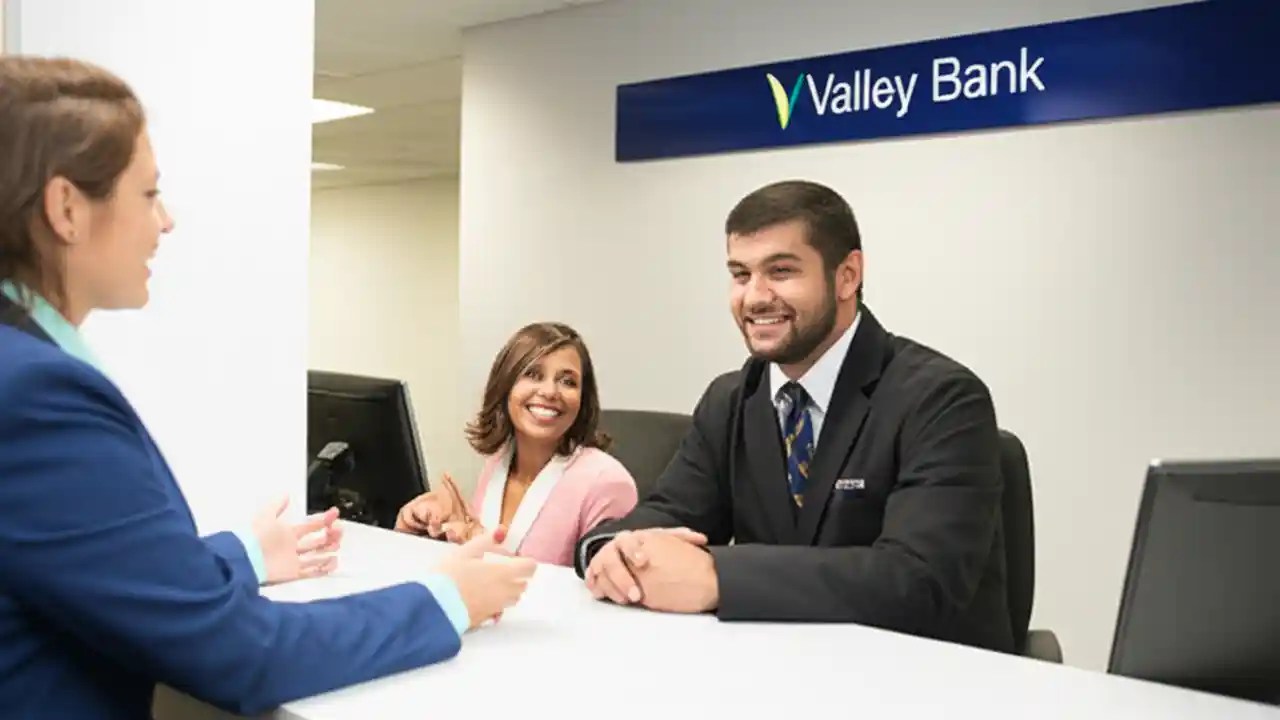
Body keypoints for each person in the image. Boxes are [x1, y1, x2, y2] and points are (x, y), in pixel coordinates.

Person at [0, 56, 536, 720]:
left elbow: (85, 565)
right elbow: (240, 653)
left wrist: (245, 553)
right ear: (66, 208)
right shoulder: (36, 394)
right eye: (147, 194)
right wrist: (444, 598)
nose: (165, 221)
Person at [575, 180, 1014, 653]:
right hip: (779, 671)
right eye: (740, 274)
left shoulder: (942, 398)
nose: (755, 297)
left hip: (923, 682)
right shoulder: (732, 398)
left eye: (781, 271)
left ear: (847, 276)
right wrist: (614, 549)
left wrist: (717, 577)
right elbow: (668, 513)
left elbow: (920, 579)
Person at [395, 322, 638, 566]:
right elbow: (478, 553)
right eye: (533, 374)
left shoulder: (608, 484)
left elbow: (601, 592)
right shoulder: (499, 461)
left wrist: (477, 543)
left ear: (583, 399)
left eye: (568, 381)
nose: (550, 391)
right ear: (506, 386)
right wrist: (428, 528)